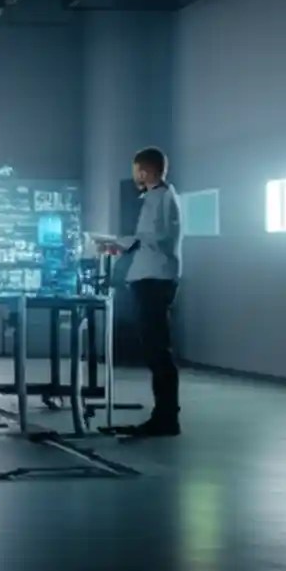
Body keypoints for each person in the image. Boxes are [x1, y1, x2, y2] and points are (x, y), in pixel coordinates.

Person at [100, 147, 184, 437]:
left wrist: (127, 241)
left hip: (155, 279)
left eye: (136, 170)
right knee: (153, 349)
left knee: (158, 350)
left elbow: (161, 238)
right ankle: (163, 415)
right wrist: (122, 244)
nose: (134, 175)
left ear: (144, 171)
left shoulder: (163, 198)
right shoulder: (153, 198)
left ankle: (167, 418)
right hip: (147, 277)